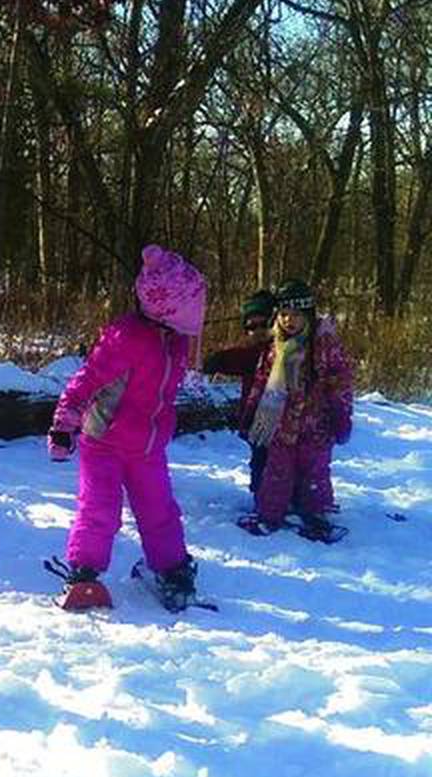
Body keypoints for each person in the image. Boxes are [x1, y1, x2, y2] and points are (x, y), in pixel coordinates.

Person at [47, 245, 206, 611]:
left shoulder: (175, 342)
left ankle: (172, 569)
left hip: (148, 447)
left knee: (159, 509)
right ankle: (84, 572)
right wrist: (64, 423)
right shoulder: (127, 337)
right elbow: (87, 379)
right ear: (168, 305)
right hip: (103, 441)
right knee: (99, 508)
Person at [239, 278, 353, 540]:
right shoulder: (275, 347)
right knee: (277, 471)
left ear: (308, 315)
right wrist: (251, 413)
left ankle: (315, 515)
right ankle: (270, 514)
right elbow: (262, 381)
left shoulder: (324, 343)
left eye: (296, 315)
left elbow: (341, 382)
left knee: (314, 473)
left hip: (316, 425)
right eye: (284, 314)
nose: (289, 321)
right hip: (282, 424)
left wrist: (341, 415)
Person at [204, 287, 277, 498]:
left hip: (280, 421)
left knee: (278, 463)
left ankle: (281, 499)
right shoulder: (251, 352)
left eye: (264, 324)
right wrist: (216, 361)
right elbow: (238, 358)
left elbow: (244, 358)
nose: (257, 330)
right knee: (260, 461)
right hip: (257, 421)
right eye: (250, 326)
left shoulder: (280, 351)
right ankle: (261, 497)